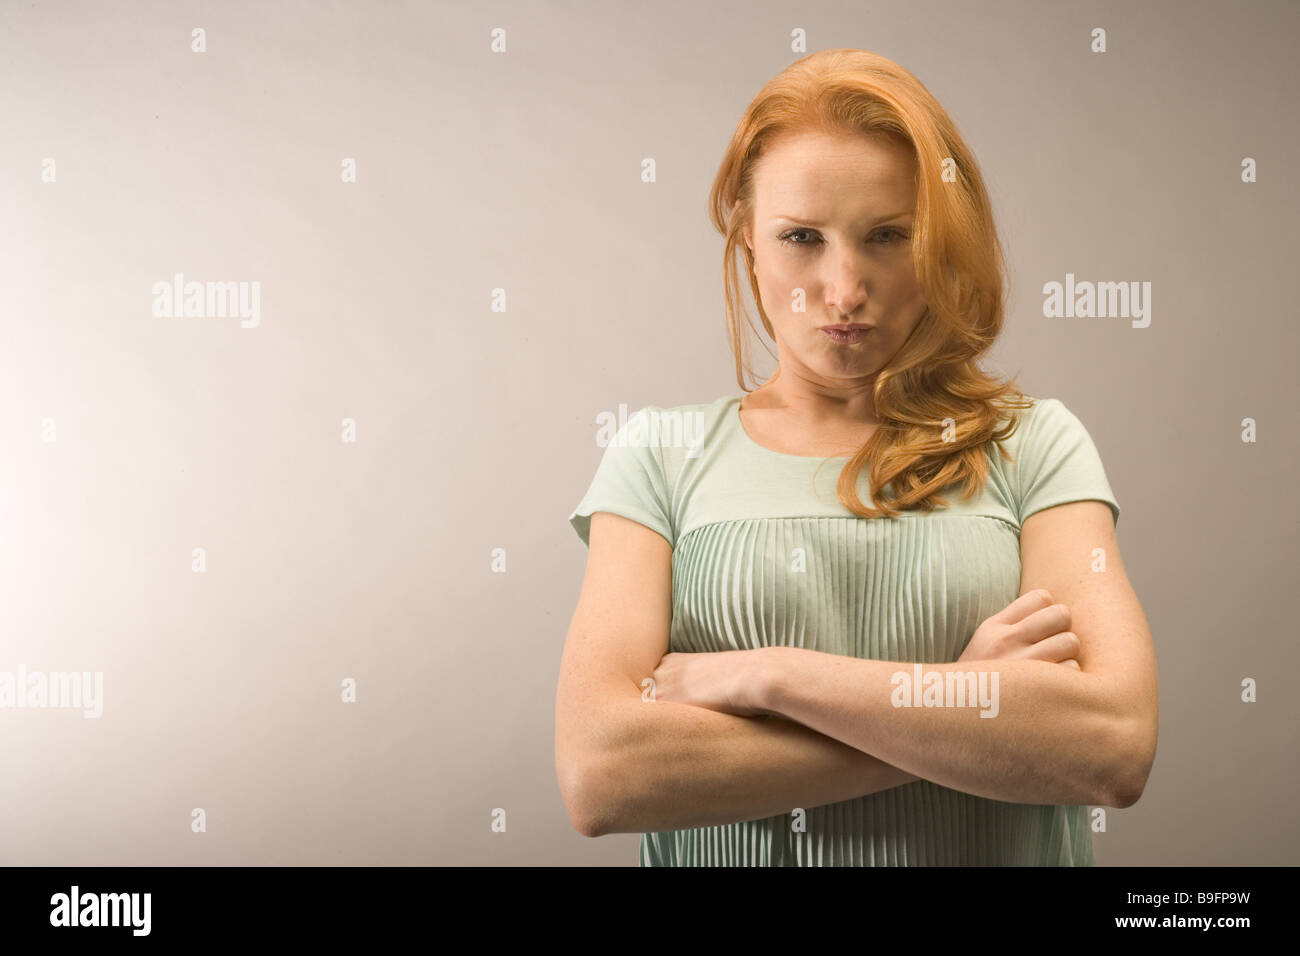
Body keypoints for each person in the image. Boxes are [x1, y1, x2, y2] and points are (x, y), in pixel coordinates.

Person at [557, 48, 1158, 866]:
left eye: (887, 237)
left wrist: (771, 677)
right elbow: (602, 777)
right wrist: (958, 707)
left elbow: (1112, 750)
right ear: (748, 237)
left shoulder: (1034, 445)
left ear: (940, 241)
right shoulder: (657, 457)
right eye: (802, 237)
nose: (842, 290)